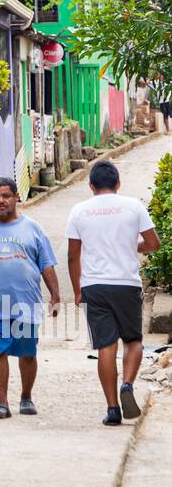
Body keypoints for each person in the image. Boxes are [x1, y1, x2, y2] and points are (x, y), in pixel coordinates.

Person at [66, 160, 159, 426]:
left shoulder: (79, 211)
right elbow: (153, 243)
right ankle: (127, 384)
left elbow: (73, 255)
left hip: (94, 285)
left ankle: (112, 409)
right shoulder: (133, 206)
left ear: (91, 186)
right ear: (118, 184)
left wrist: (77, 290)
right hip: (127, 284)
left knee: (105, 346)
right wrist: (132, 246)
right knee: (133, 341)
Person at [0, 177, 61, 419]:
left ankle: (26, 397)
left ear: (16, 197)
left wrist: (55, 296)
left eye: (6, 196)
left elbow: (46, 265)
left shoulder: (33, 228)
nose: (1, 201)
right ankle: (2, 403)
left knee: (28, 353)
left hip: (26, 304)